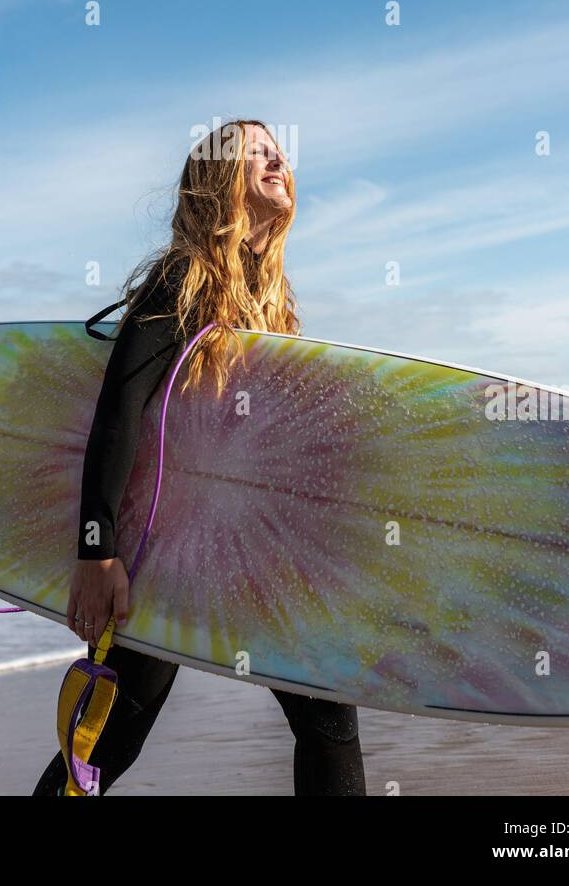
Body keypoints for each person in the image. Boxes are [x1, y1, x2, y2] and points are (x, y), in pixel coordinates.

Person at [32, 119, 366, 796]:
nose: (277, 162)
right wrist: (97, 551)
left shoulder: (271, 300)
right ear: (219, 179)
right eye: (257, 154)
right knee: (109, 741)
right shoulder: (186, 279)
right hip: (169, 551)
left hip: (251, 546)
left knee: (328, 720)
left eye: (280, 153)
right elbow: (119, 410)